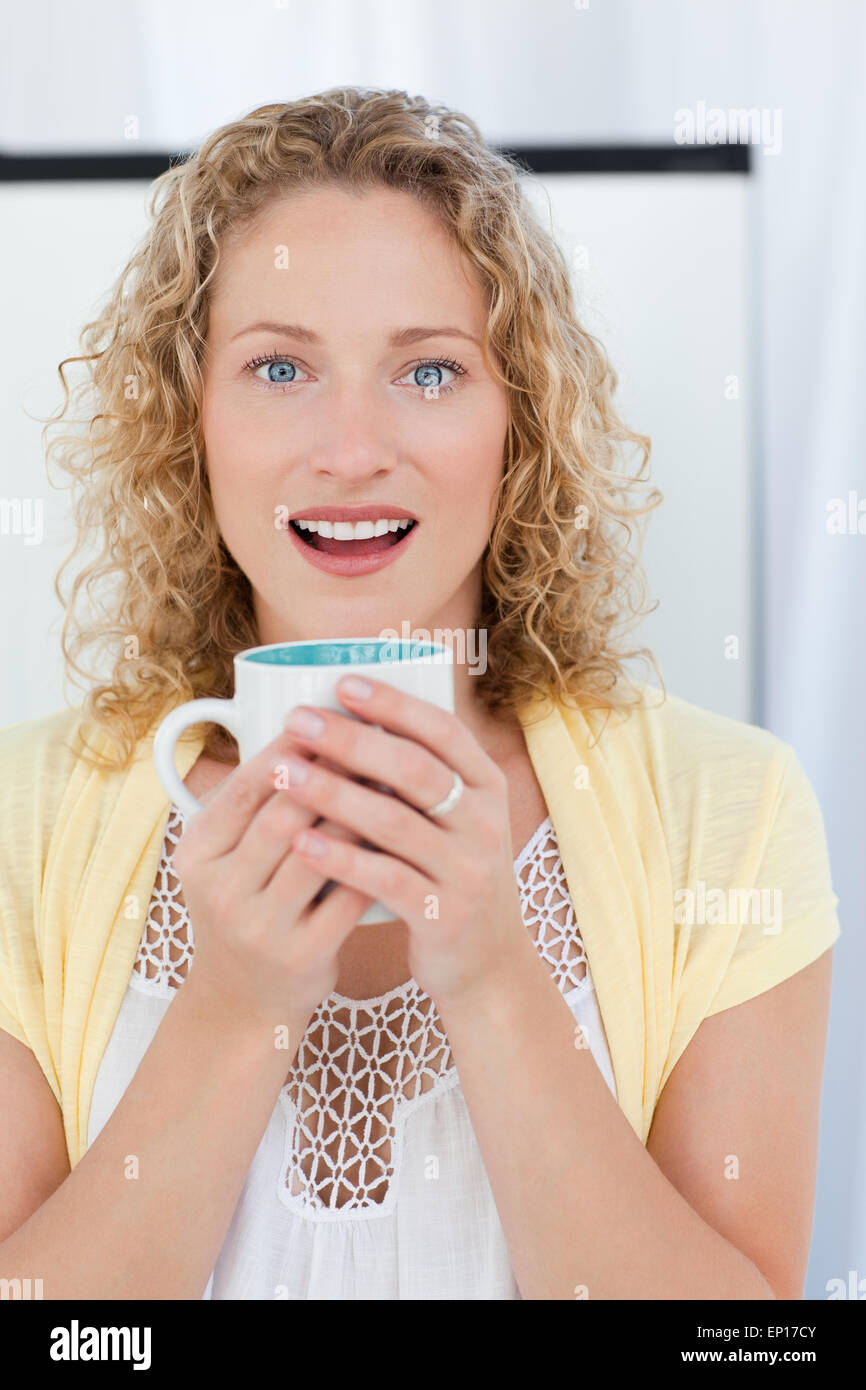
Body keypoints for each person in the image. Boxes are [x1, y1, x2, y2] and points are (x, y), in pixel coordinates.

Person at [0, 87, 839, 1301]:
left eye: (430, 372)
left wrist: (495, 975)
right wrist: (234, 1011)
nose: (349, 445)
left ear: (519, 422)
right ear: (194, 421)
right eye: (278, 365)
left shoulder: (731, 811)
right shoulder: (21, 826)